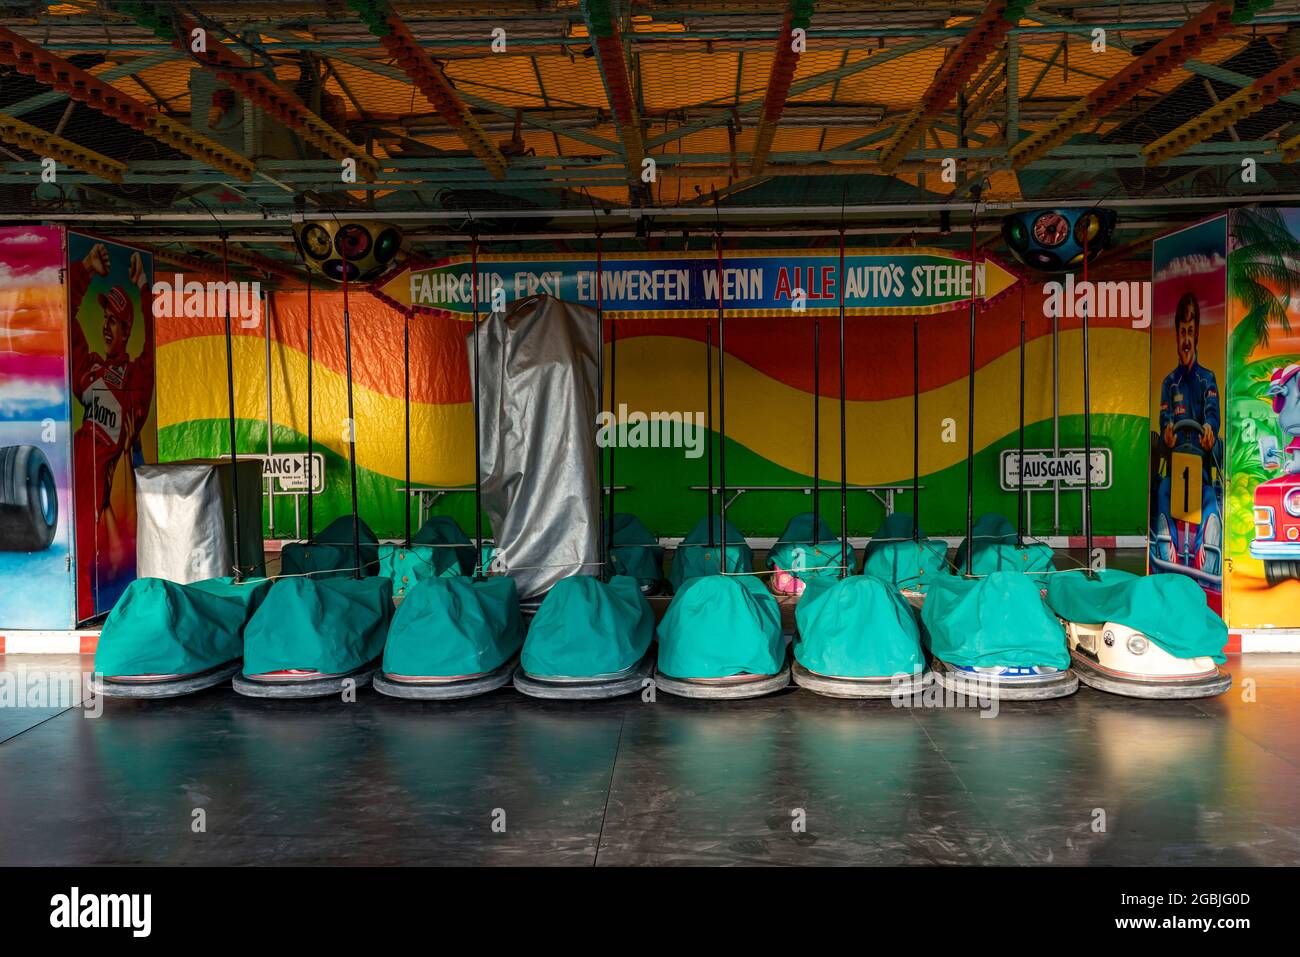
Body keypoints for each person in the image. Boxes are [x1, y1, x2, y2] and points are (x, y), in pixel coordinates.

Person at [70, 242, 155, 618]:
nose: (105, 325)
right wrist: (84, 271)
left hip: (97, 492)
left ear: (125, 330)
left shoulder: (134, 378)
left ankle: (90, 614)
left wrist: (145, 288)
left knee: (86, 556)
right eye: (104, 318)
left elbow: (151, 349)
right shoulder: (88, 369)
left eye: (114, 321)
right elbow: (65, 320)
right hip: (62, 479)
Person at [1153, 291, 1222, 575]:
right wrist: (1168, 433)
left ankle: (1206, 546)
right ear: (1176, 335)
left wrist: (1208, 430)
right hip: (1176, 464)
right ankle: (1166, 541)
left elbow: (1212, 412)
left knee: (1210, 499)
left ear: (1197, 336)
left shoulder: (1208, 378)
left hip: (1202, 468)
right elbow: (1165, 417)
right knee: (1164, 492)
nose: (1186, 339)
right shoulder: (1170, 382)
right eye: (1182, 331)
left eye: (1190, 331)